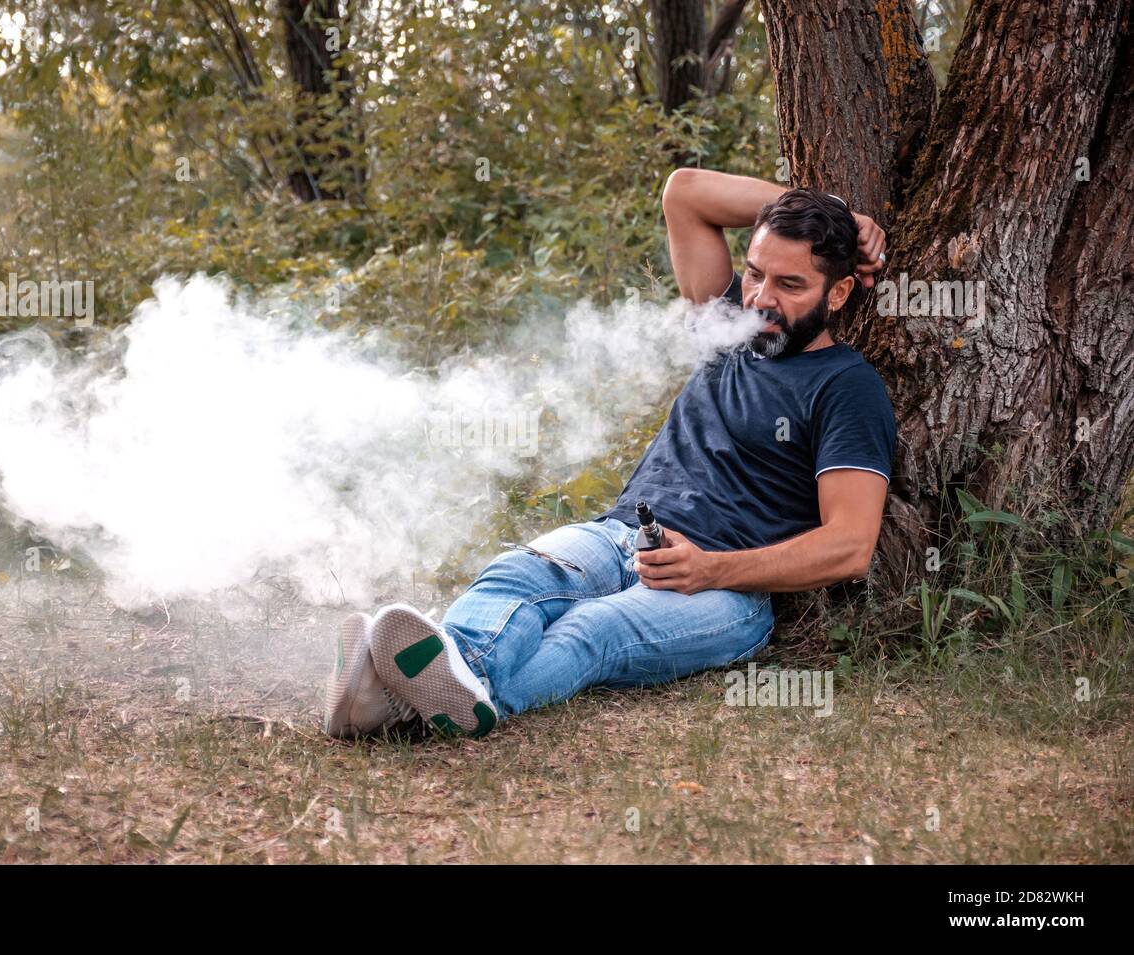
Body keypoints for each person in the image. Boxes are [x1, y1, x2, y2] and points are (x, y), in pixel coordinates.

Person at [324, 168, 896, 739]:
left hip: (725, 590)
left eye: (790, 286)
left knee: (589, 630)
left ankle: (405, 698)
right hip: (621, 535)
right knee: (517, 574)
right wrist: (838, 216)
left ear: (838, 292)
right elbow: (685, 193)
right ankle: (441, 681)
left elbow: (849, 547)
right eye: (754, 274)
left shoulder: (847, 387)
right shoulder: (726, 322)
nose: (762, 300)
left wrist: (710, 569)